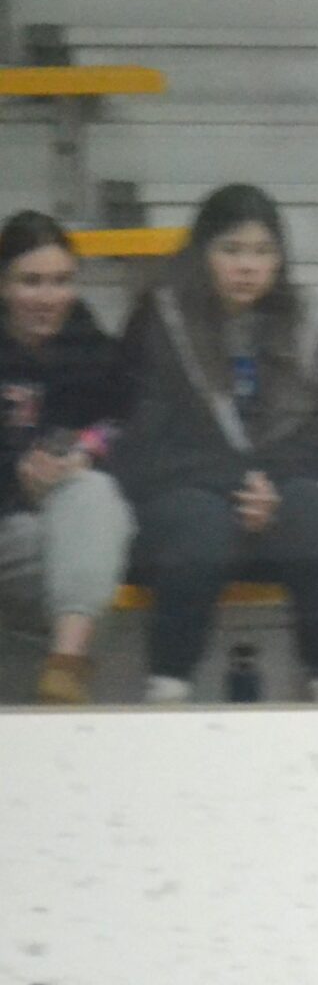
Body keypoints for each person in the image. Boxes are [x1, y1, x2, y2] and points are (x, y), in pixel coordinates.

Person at [117, 185, 318, 704]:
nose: (246, 267)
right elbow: (141, 438)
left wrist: (268, 485)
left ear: (280, 258)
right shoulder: (160, 319)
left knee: (313, 512)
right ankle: (168, 686)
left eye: (262, 251)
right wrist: (236, 486)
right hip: (180, 505)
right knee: (198, 524)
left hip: (268, 504)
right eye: (231, 250)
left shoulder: (306, 327)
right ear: (201, 252)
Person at [0, 212, 131, 705]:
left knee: (95, 494)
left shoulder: (94, 349)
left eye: (61, 281)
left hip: (68, 529)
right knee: (78, 548)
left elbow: (128, 428)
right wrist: (17, 475)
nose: (48, 297)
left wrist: (85, 456)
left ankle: (66, 666)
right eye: (30, 282)